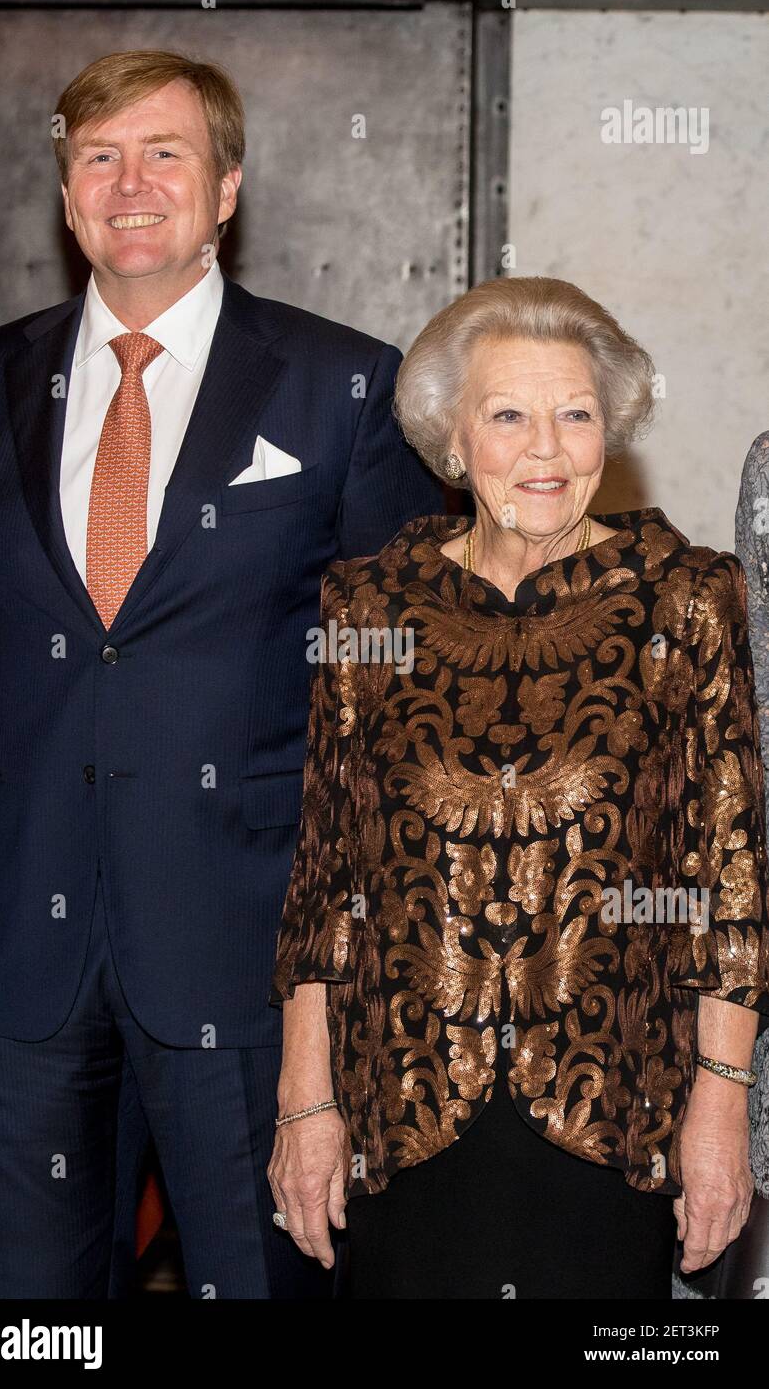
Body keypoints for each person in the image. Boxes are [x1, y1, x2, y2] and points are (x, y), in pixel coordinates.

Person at [0, 48, 442, 1300]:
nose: (130, 185)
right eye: (97, 157)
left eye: (164, 153)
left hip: (251, 954)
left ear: (226, 187)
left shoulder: (342, 389)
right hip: (27, 954)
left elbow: (389, 675)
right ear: (65, 194)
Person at [269, 275, 769, 1299]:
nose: (544, 449)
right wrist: (302, 1103)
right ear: (452, 440)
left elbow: (730, 881)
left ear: (609, 432)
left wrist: (719, 1109)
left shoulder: (684, 596)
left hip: (606, 1106)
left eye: (574, 415)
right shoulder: (367, 604)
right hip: (398, 1107)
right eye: (508, 415)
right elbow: (324, 877)